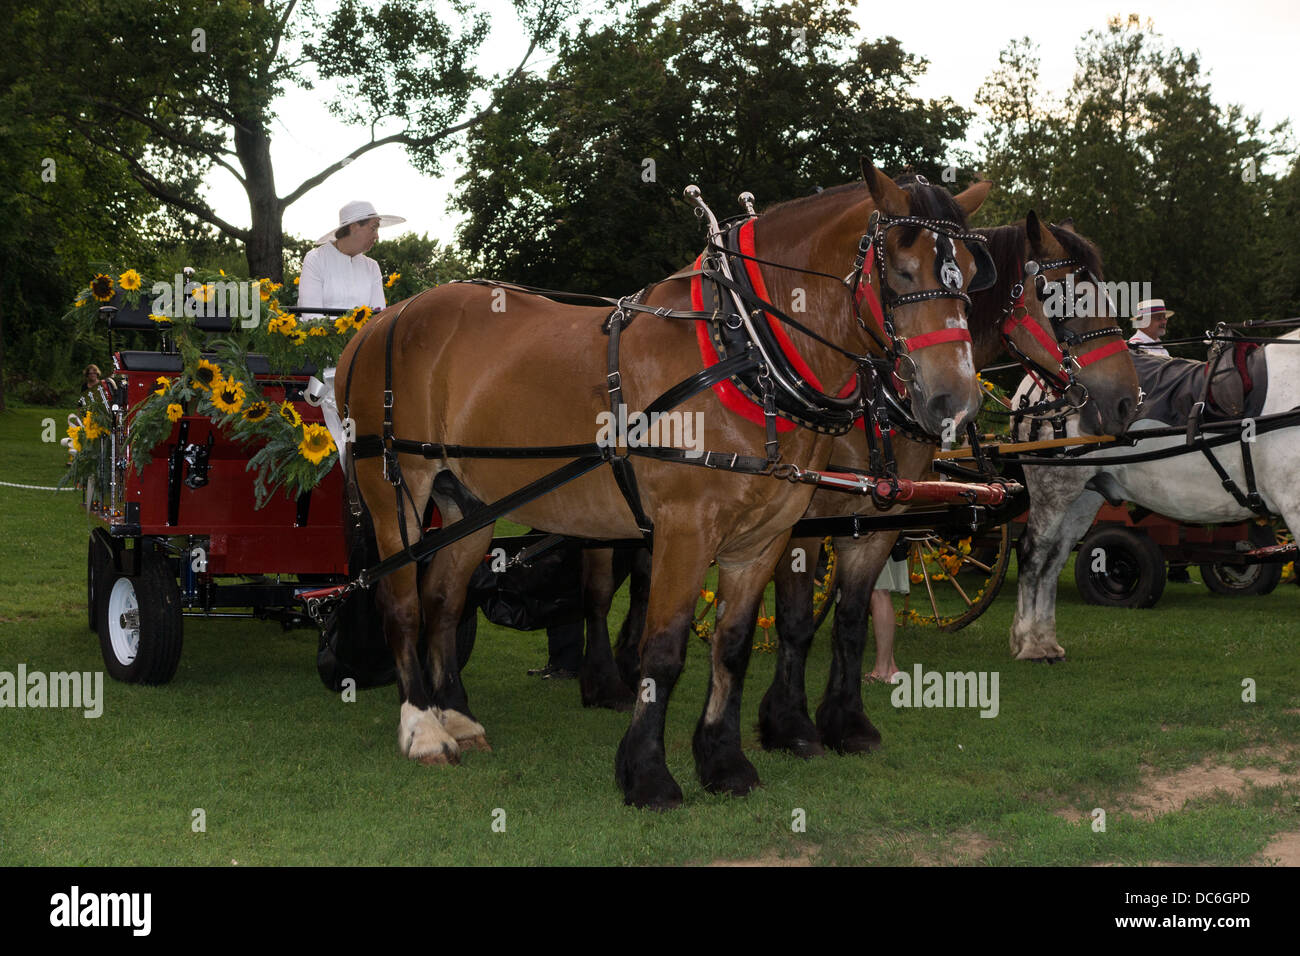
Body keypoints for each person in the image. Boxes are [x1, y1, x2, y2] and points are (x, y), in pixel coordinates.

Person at [863, 537, 910, 684]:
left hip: (872, 535)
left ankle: (883, 672)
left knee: (877, 590)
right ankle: (890, 667)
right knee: (875, 591)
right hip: (883, 535)